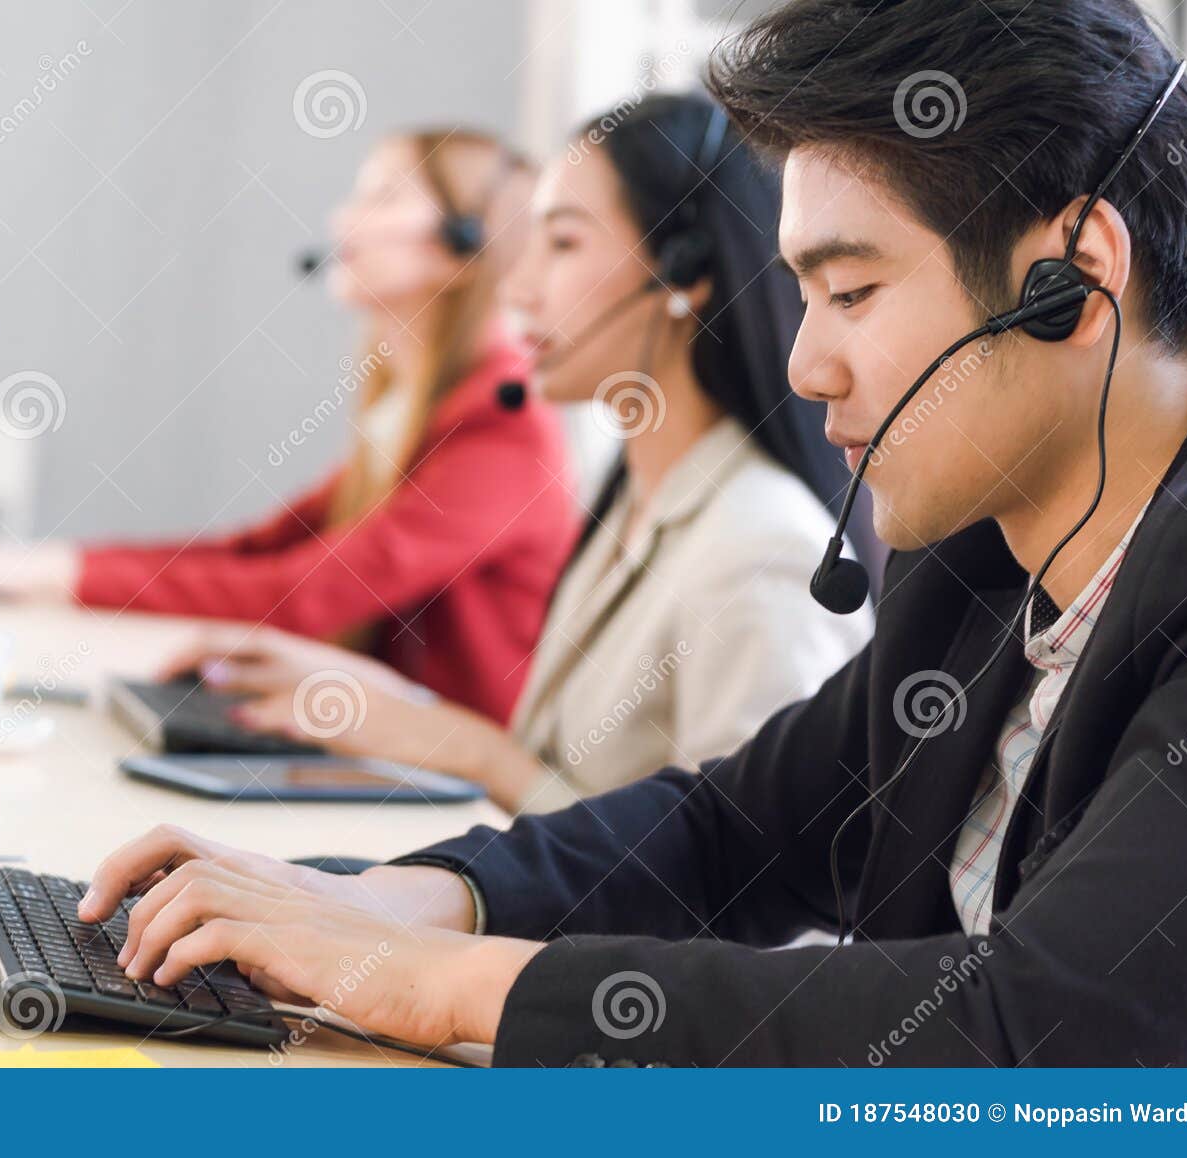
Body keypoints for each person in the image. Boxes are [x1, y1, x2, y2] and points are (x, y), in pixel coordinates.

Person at [77, 0, 1187, 1066]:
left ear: (1067, 282)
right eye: (803, 298)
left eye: (851, 293)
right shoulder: (980, 565)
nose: (808, 365)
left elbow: (1041, 1034)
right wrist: (391, 902)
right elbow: (730, 831)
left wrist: (449, 987)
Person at [152, 94, 871, 812]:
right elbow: (567, 781)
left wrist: (467, 749)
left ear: (681, 272)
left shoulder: (760, 556)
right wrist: (381, 700)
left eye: (561, 244)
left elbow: (740, 910)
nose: (520, 288)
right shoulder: (633, 499)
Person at [0, 129, 579, 724]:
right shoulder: (415, 403)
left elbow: (304, 593)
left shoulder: (503, 424)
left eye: (384, 198)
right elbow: (257, 551)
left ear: (467, 242)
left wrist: (49, 573)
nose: (344, 221)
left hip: (458, 786)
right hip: (374, 741)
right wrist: (38, 569)